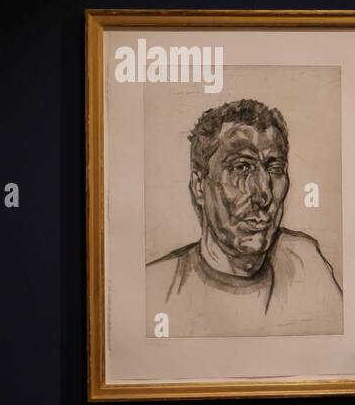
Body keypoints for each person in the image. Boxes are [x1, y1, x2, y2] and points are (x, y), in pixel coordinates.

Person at [145, 98, 342, 337]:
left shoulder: (305, 261)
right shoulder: (155, 288)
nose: (264, 193)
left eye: (274, 169)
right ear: (199, 187)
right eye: (241, 167)